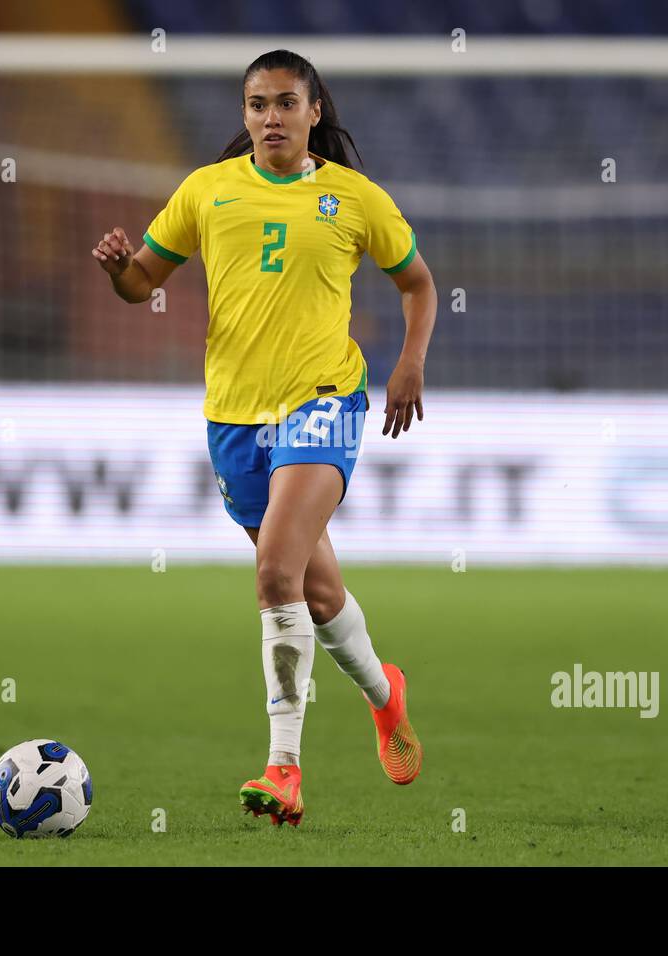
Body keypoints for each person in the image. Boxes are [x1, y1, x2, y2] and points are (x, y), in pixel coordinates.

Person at [93, 49, 437, 827]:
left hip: (324, 402)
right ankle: (386, 694)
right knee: (313, 593)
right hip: (233, 417)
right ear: (243, 113)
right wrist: (119, 269)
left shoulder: (354, 199)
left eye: (286, 103)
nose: (270, 117)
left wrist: (410, 362)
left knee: (273, 573)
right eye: (257, 104)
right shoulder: (206, 192)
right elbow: (144, 282)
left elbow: (417, 282)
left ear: (316, 111)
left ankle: (284, 769)